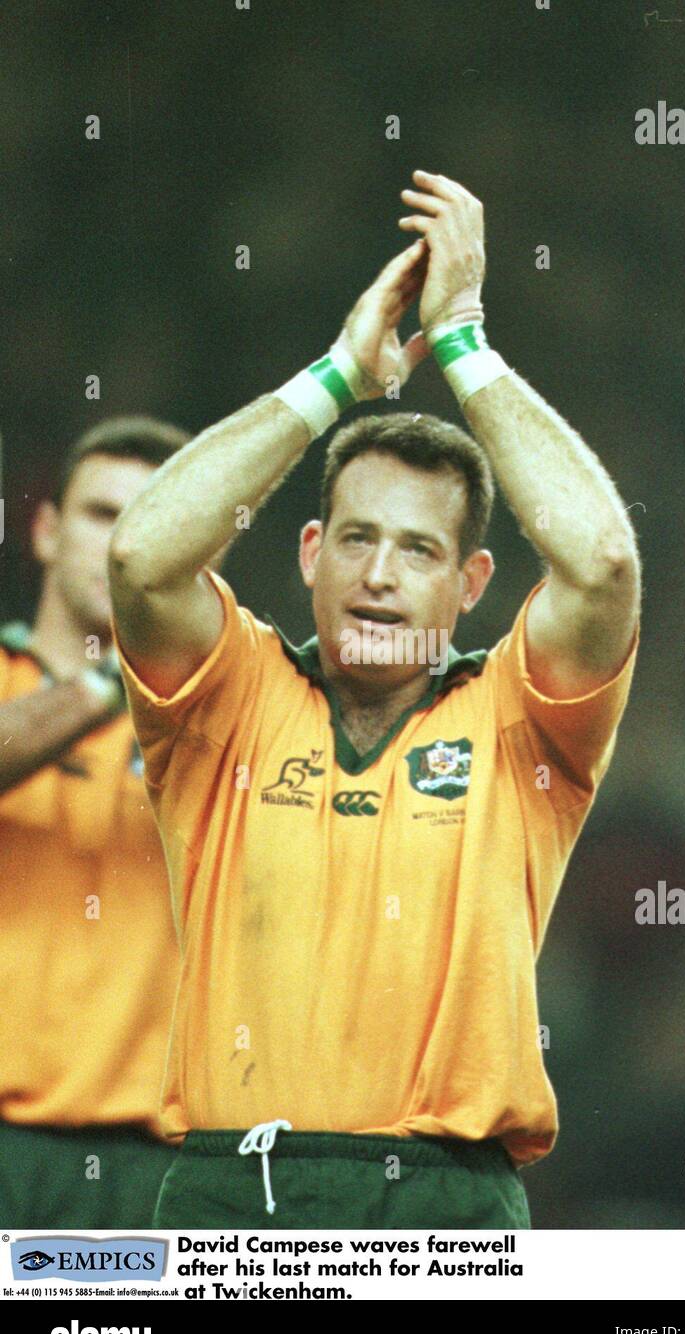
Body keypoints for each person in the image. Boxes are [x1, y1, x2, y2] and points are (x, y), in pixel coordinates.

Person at [109, 172, 641, 1231]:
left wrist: (463, 343)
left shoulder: (516, 721)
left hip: (439, 1202)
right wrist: (338, 379)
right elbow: (139, 557)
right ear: (309, 554)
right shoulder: (234, 697)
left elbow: (603, 565)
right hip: (226, 1194)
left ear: (471, 584)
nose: (380, 575)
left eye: (418, 549)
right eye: (355, 537)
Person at [0, 417, 190, 1228]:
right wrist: (109, 680)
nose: (124, 550)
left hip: (146, 1170)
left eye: (154, 528)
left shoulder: (211, 722)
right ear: (44, 529)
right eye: (103, 515)